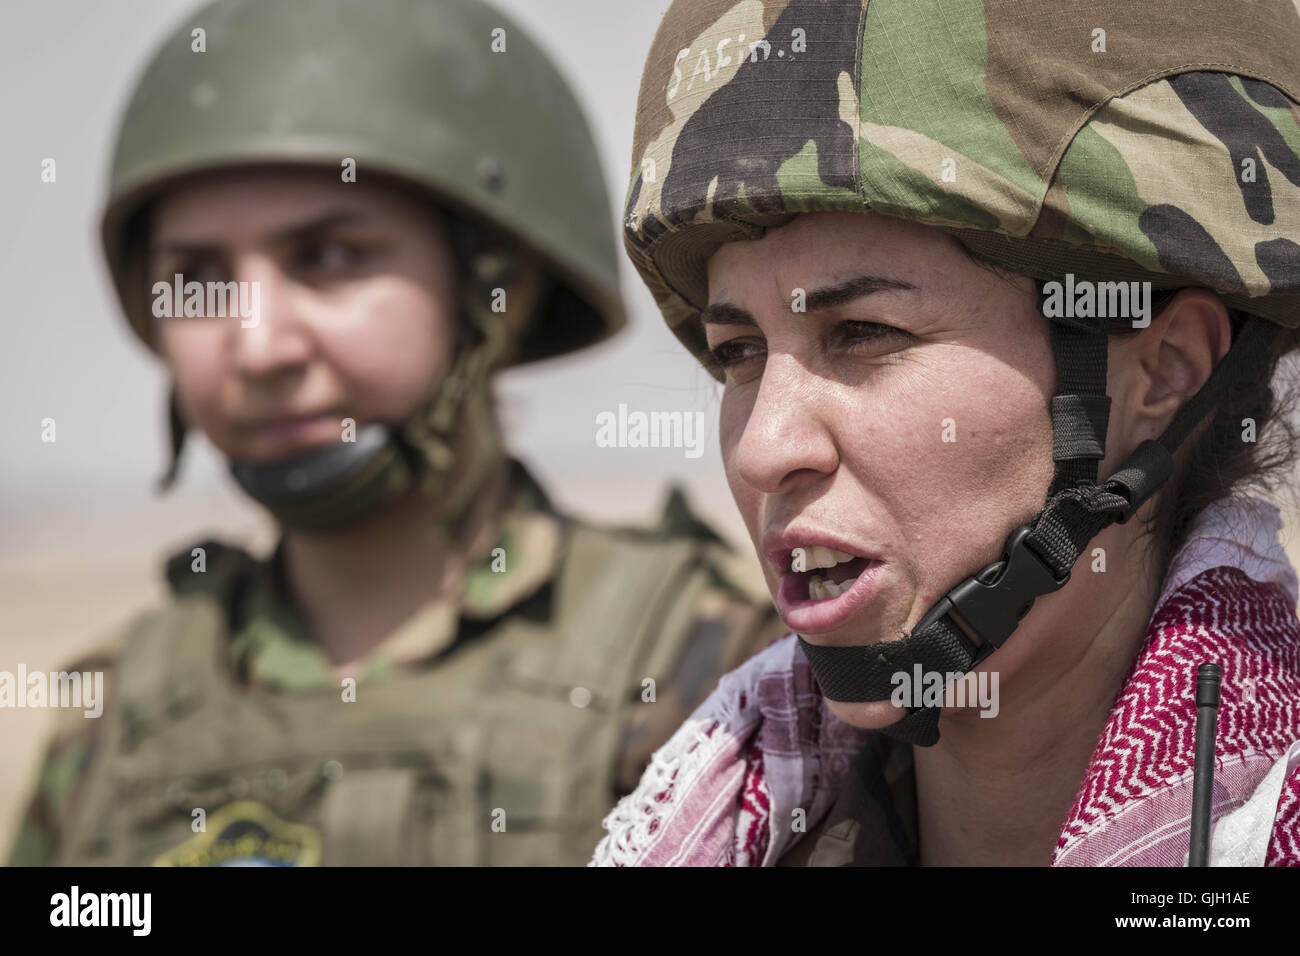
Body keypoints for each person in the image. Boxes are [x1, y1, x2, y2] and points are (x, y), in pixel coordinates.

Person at [6, 0, 784, 867]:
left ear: (499, 287)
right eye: (197, 278)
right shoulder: (112, 721)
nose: (257, 345)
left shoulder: (704, 668)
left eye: (331, 257)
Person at [592, 0, 1300, 866]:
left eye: (865, 335)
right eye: (739, 352)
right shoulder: (709, 823)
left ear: (1165, 371)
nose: (763, 449)